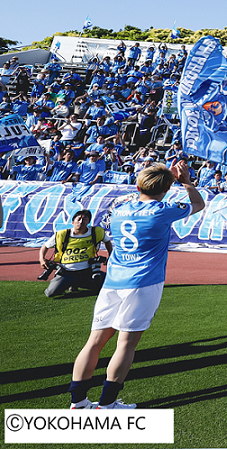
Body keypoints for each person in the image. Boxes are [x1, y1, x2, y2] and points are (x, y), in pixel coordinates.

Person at [65, 161, 204, 409]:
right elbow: (198, 204)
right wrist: (187, 181)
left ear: (139, 184)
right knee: (126, 344)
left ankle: (78, 402)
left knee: (94, 341)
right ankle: (107, 404)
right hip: (143, 283)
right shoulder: (163, 210)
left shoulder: (119, 209)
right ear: (165, 188)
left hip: (113, 281)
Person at [39, 209, 112, 297]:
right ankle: (70, 282)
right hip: (67, 271)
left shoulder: (96, 232)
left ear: (88, 221)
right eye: (79, 219)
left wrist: (110, 257)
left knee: (110, 286)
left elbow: (107, 242)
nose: (81, 222)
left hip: (88, 271)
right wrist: (42, 259)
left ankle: (77, 283)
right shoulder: (62, 234)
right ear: (73, 222)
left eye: (84, 219)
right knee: (51, 293)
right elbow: (45, 246)